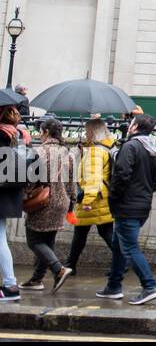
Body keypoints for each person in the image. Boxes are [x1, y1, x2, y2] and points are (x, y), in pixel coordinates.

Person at [96, 113, 156, 304]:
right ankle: (113, 286)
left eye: (131, 123)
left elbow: (122, 175)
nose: (129, 125)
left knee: (130, 247)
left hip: (127, 205)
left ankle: (149, 286)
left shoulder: (130, 146)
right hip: (142, 205)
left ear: (135, 127)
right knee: (119, 245)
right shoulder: (152, 149)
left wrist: (114, 196)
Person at [22, 116, 76, 293]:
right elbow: (72, 184)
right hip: (62, 203)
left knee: (34, 241)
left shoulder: (38, 151)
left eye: (41, 131)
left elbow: (30, 181)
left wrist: (25, 197)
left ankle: (58, 269)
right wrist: (70, 206)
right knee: (47, 241)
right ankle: (37, 279)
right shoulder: (68, 153)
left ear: (45, 132)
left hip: (43, 202)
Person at [64, 116, 115, 276]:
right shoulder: (106, 147)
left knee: (87, 233)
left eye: (87, 131)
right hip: (102, 197)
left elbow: (93, 177)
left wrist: (86, 201)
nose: (85, 134)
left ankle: (71, 265)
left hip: (92, 199)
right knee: (99, 232)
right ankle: (71, 264)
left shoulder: (95, 151)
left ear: (92, 132)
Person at [0, 105, 27, 300]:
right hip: (12, 192)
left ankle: (10, 285)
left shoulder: (1, 135)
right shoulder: (20, 136)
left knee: (0, 239)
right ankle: (9, 285)